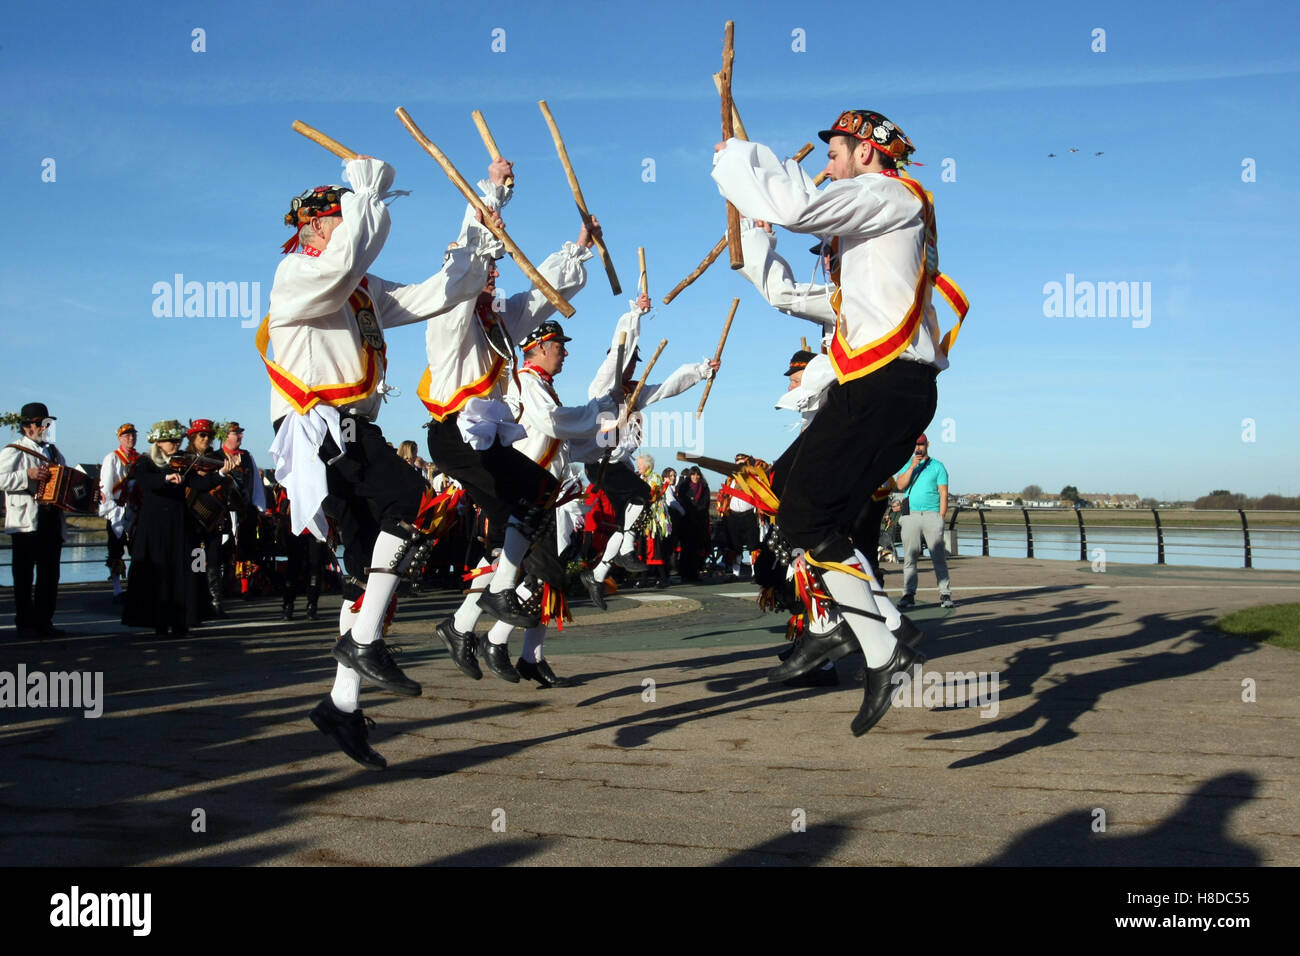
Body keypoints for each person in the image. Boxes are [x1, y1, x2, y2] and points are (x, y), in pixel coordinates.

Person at [713, 108, 966, 736]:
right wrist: (754, 231)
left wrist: (736, 159)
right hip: (886, 391)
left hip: (886, 388)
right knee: (785, 492)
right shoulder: (868, 272)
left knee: (805, 516)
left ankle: (869, 643)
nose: (828, 165)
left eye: (836, 153)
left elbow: (803, 206)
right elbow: (783, 290)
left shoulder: (889, 195)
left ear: (867, 152)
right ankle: (872, 629)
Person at [263, 152, 500, 770]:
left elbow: (432, 295)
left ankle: (341, 706)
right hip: (319, 427)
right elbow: (346, 261)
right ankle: (364, 643)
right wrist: (363, 191)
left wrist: (482, 216)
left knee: (369, 573)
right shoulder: (298, 272)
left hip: (347, 428)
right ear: (314, 226)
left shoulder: (359, 289)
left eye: (349, 215)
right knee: (412, 501)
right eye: (338, 216)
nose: (347, 225)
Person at [420, 156, 596, 668]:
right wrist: (492, 194)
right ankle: (488, 608)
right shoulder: (450, 316)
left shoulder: (498, 322)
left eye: (495, 275)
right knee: (524, 510)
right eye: (487, 274)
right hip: (452, 435)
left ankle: (469, 618)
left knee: (540, 499)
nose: (492, 281)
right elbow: (463, 261)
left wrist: (579, 250)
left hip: (485, 442)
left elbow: (542, 295)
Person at [469, 318, 617, 686]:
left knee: (546, 578)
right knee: (528, 575)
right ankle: (479, 635)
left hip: (547, 497)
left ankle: (529, 656)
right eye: (559, 346)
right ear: (538, 347)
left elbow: (567, 443)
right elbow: (554, 425)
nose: (564, 352)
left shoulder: (545, 389)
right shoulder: (527, 383)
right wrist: (598, 412)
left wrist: (606, 432)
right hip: (522, 495)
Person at [573, 295, 718, 608]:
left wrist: (702, 369)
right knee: (640, 496)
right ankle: (625, 548)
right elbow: (618, 351)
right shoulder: (602, 386)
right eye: (630, 360)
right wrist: (635, 315)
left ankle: (597, 575)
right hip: (600, 461)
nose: (634, 365)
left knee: (630, 516)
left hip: (617, 464)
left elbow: (669, 386)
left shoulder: (634, 392)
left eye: (636, 361)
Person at [122, 420, 230, 636]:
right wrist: (166, 478)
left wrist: (220, 474)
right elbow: (145, 481)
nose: (176, 444)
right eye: (171, 440)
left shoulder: (182, 462)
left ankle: (183, 621)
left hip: (180, 524)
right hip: (155, 527)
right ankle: (159, 623)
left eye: (178, 440)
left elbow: (199, 484)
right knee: (158, 573)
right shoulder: (146, 462)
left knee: (184, 570)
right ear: (159, 442)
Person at [1, 402, 67, 637]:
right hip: (25, 522)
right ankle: (26, 623)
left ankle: (44, 622)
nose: (45, 427)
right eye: (41, 423)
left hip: (50, 519)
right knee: (24, 576)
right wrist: (25, 476)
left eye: (47, 423)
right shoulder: (14, 450)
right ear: (27, 426)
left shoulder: (54, 452)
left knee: (50, 574)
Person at [894, 434, 954, 608]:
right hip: (911, 515)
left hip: (931, 515)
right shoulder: (907, 465)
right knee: (910, 557)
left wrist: (940, 517)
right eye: (916, 445)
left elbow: (943, 493)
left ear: (927, 444)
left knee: (938, 557)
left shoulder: (938, 467)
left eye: (921, 444)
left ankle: (945, 594)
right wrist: (912, 466)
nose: (918, 448)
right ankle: (908, 594)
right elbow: (900, 485)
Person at [184, 419, 233, 618]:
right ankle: (197, 602)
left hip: (213, 516)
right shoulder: (185, 459)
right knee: (196, 561)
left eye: (208, 436)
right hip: (192, 517)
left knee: (214, 560)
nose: (206, 439)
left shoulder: (218, 458)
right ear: (193, 438)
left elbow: (228, 486)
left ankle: (215, 603)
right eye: (202, 435)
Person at [219, 421, 267, 599]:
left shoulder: (247, 456)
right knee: (225, 550)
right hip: (224, 512)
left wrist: (259, 506)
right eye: (236, 433)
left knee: (246, 549)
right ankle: (225, 585)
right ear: (226, 436)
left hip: (246, 511)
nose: (240, 436)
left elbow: (255, 482)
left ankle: (245, 587)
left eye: (240, 433)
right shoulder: (217, 456)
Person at [98, 423, 140, 604]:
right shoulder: (112, 458)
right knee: (115, 551)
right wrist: (110, 508)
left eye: (132, 435)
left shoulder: (139, 459)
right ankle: (116, 588)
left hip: (135, 509)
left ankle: (135, 586)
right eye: (127, 436)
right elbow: (106, 486)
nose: (130, 439)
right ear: (120, 438)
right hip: (117, 509)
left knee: (137, 550)